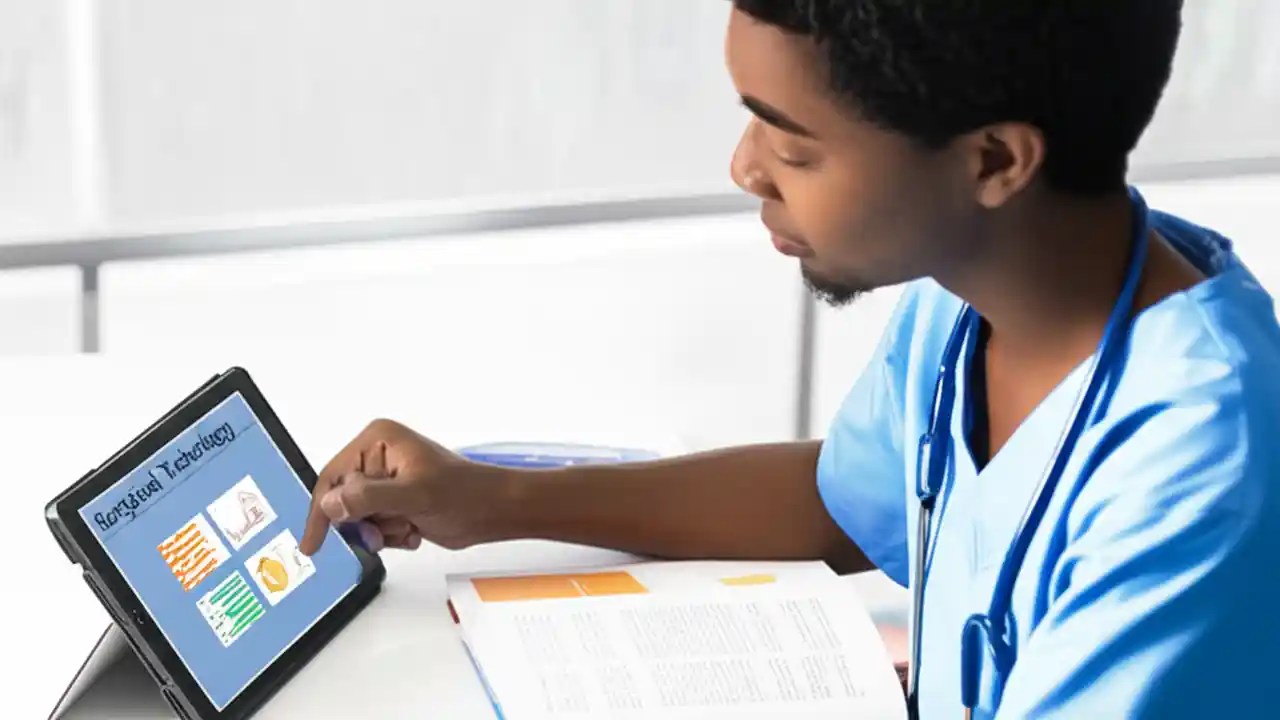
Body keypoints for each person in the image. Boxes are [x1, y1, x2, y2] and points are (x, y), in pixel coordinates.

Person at [300, 2, 1280, 717]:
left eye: (794, 146)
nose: (744, 168)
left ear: (990, 163)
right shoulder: (972, 298)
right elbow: (837, 500)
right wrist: (492, 500)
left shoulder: (1198, 457)